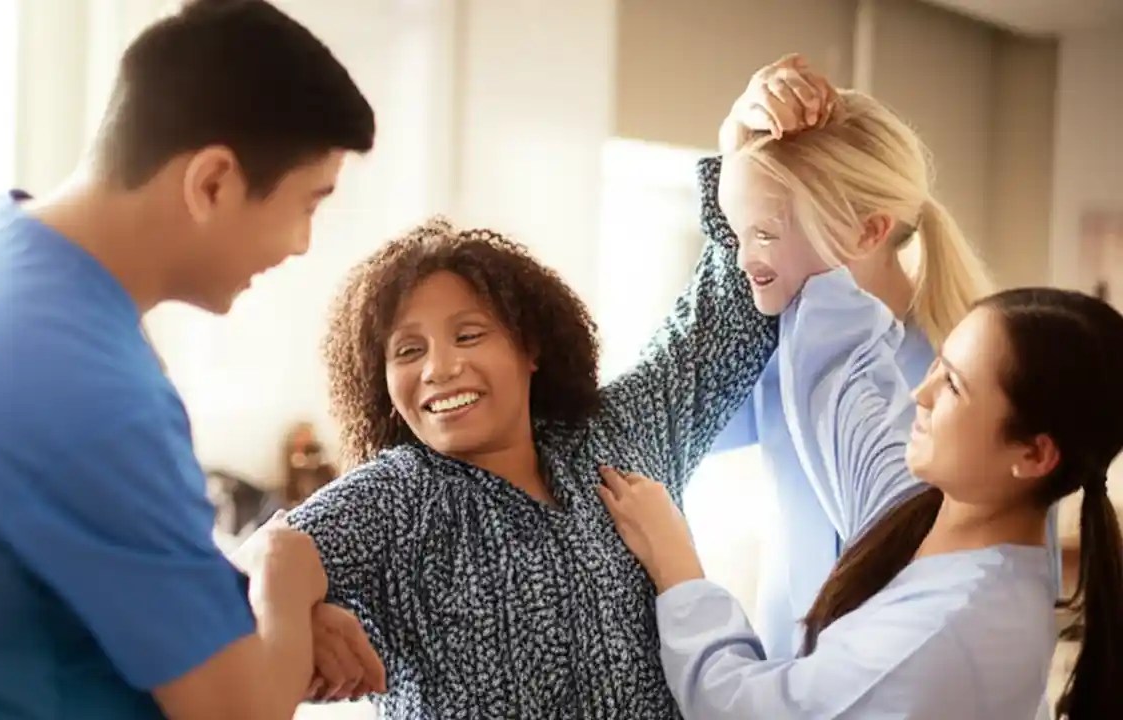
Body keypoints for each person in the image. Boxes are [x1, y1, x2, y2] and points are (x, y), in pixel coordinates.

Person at [0, 1, 378, 718]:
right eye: (309, 205)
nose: (301, 245)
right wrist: (281, 571)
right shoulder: (95, 392)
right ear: (212, 182)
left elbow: (70, 537)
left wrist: (250, 622)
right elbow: (235, 714)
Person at [284, 210, 777, 717]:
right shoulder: (392, 499)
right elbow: (226, 590)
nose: (440, 368)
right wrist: (287, 612)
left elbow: (729, 310)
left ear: (531, 348)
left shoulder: (618, 435)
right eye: (408, 350)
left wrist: (743, 141)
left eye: (469, 335)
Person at [601, 268, 1123, 718]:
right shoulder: (934, 513)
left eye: (955, 386)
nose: (922, 392)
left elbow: (745, 708)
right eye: (938, 365)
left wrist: (675, 562)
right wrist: (811, 249)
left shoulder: (944, 631)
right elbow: (845, 377)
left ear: (1033, 455)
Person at [703, 54, 1060, 658]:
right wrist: (733, 153)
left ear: (868, 231)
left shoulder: (979, 378)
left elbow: (1008, 584)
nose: (744, 258)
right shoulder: (771, 356)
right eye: (740, 232)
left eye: (765, 231)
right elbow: (668, 430)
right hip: (783, 686)